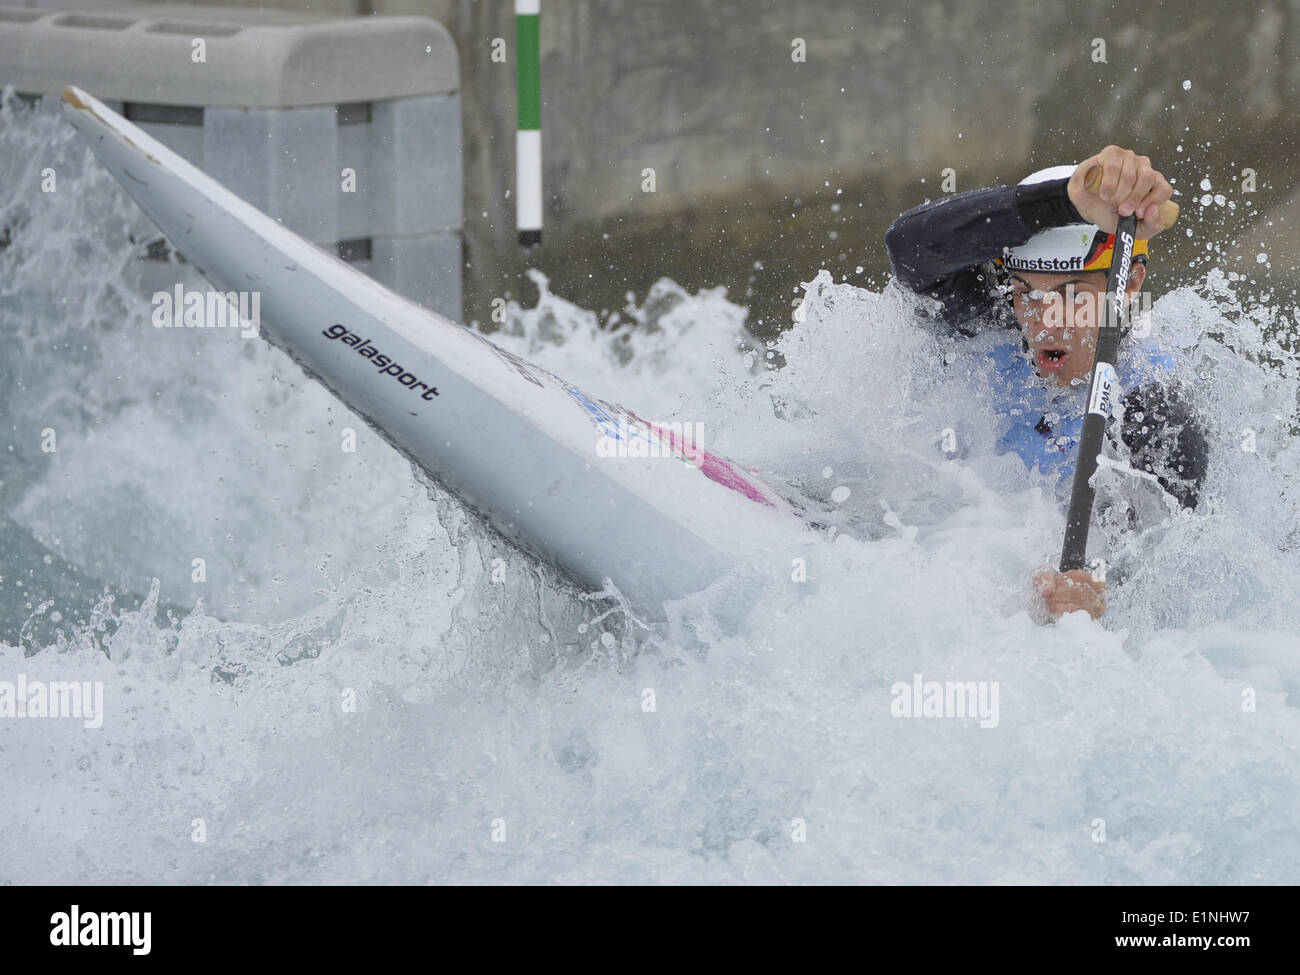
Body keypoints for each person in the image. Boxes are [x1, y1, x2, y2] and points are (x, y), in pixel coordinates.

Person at [884, 146, 1209, 624]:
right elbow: (908, 248)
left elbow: (1178, 569)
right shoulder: (990, 330)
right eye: (1024, 293)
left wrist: (1099, 597)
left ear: (1131, 283)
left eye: (1071, 294)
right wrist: (1065, 201)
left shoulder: (1155, 411)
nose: (1043, 323)